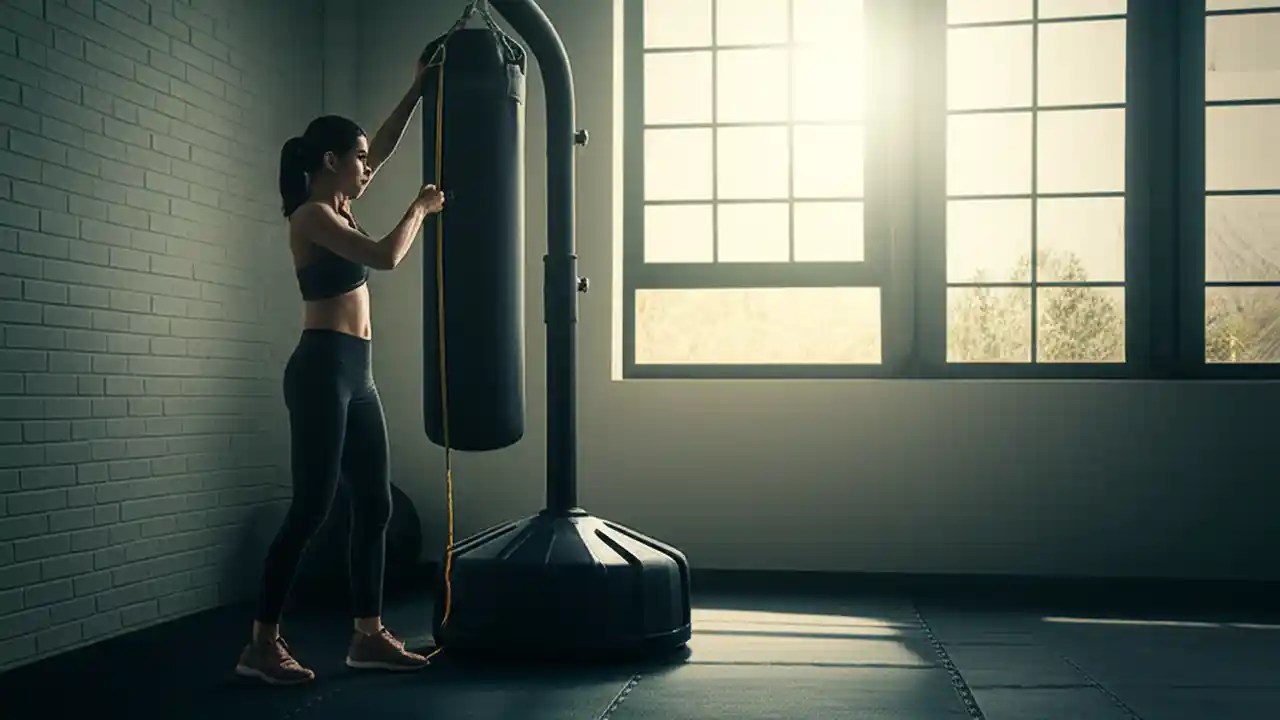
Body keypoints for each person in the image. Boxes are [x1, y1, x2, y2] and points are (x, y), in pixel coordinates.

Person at [234, 57, 446, 686]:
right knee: (312, 508)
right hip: (323, 368)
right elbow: (385, 256)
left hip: (360, 373)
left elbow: (378, 141)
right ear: (329, 162)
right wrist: (421, 206)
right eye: (355, 159)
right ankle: (261, 645)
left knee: (375, 505)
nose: (366, 166)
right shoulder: (311, 217)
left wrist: (416, 88)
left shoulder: (341, 203)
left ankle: (367, 635)